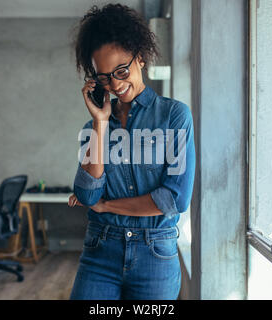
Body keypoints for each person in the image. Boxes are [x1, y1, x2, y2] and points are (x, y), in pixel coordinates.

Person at [67, 3, 195, 300]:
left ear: (140, 59)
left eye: (121, 70)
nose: (115, 84)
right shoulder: (93, 128)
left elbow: (173, 199)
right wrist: (100, 122)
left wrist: (108, 206)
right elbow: (87, 195)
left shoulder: (174, 116)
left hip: (155, 253)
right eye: (104, 77)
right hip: (101, 249)